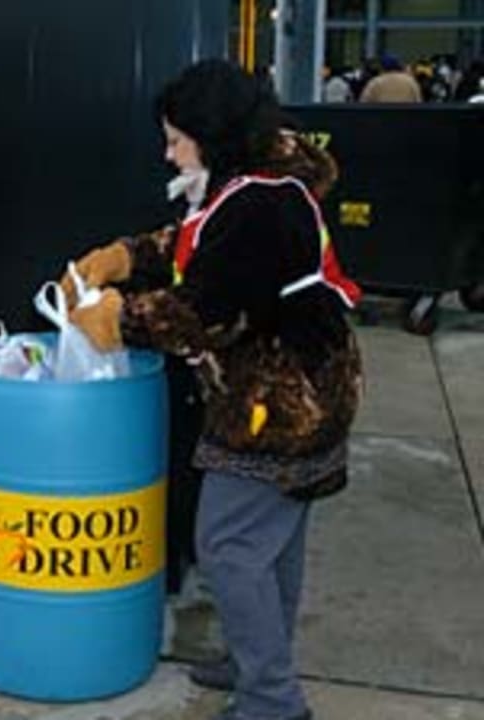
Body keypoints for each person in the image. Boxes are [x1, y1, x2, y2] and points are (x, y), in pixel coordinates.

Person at [61, 60, 362, 720]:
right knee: (271, 546)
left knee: (228, 546)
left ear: (213, 136)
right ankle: (259, 657)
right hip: (294, 388)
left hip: (282, 403)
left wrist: (117, 316)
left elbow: (206, 308)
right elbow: (189, 245)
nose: (167, 152)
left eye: (175, 139)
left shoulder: (260, 206)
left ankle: (273, 701)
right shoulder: (248, 186)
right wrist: (124, 256)